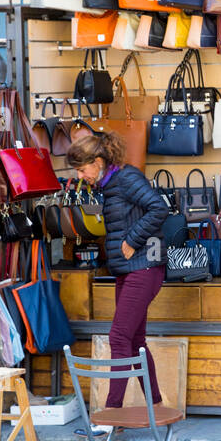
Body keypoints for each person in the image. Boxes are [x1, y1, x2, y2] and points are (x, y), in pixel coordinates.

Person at [67, 131, 169, 415]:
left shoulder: (126, 179)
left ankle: (111, 413)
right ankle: (156, 406)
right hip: (129, 269)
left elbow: (158, 208)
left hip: (144, 266)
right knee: (134, 342)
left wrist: (132, 240)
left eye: (82, 169)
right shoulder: (109, 184)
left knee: (119, 338)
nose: (80, 175)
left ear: (98, 161)